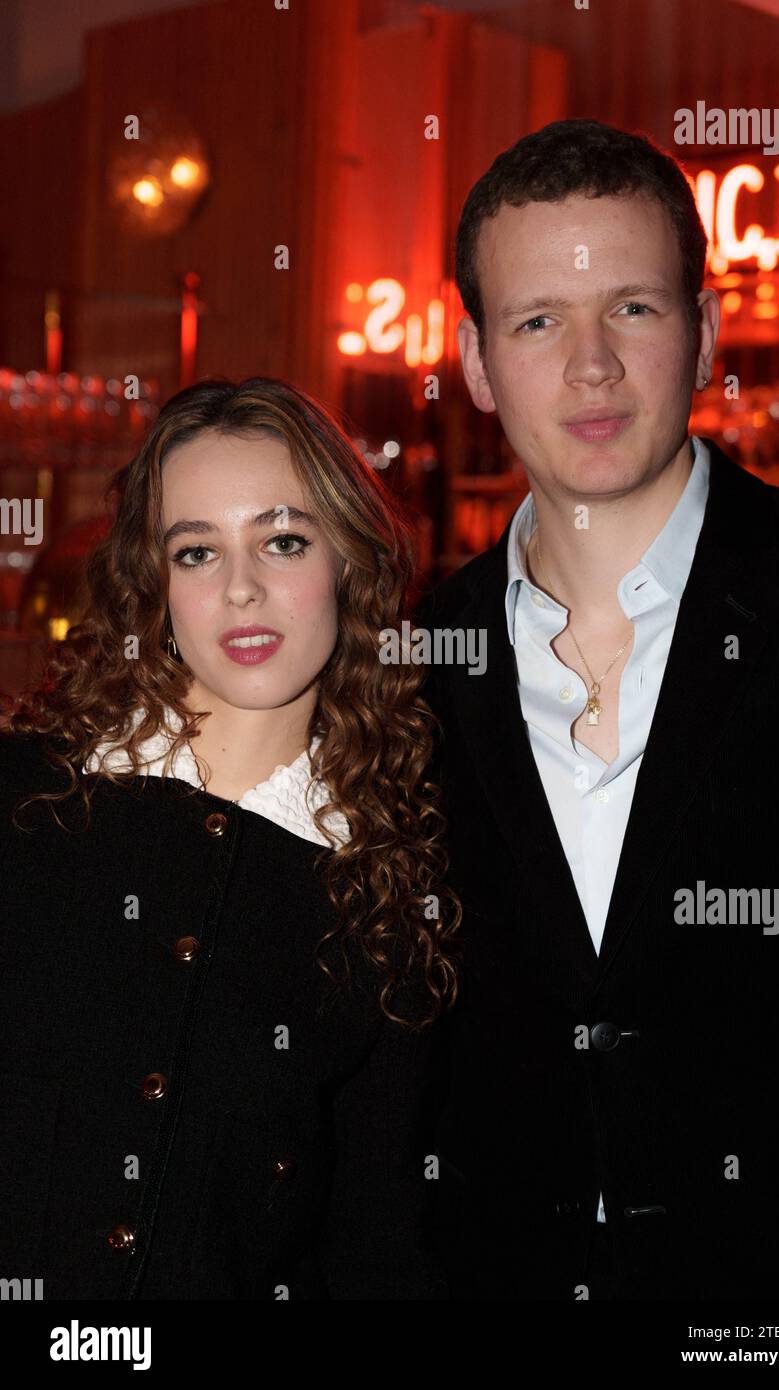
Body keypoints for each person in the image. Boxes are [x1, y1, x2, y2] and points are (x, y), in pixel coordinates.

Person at [416, 118, 779, 1300]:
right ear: (471, 359)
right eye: (536, 322)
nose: (589, 368)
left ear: (705, 332)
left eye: (631, 307)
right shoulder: (399, 661)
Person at [0, 376, 459, 1300]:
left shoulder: (389, 892)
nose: (242, 588)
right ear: (154, 583)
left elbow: (375, 1250)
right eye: (198, 551)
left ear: (350, 563)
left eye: (282, 541)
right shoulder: (29, 802)